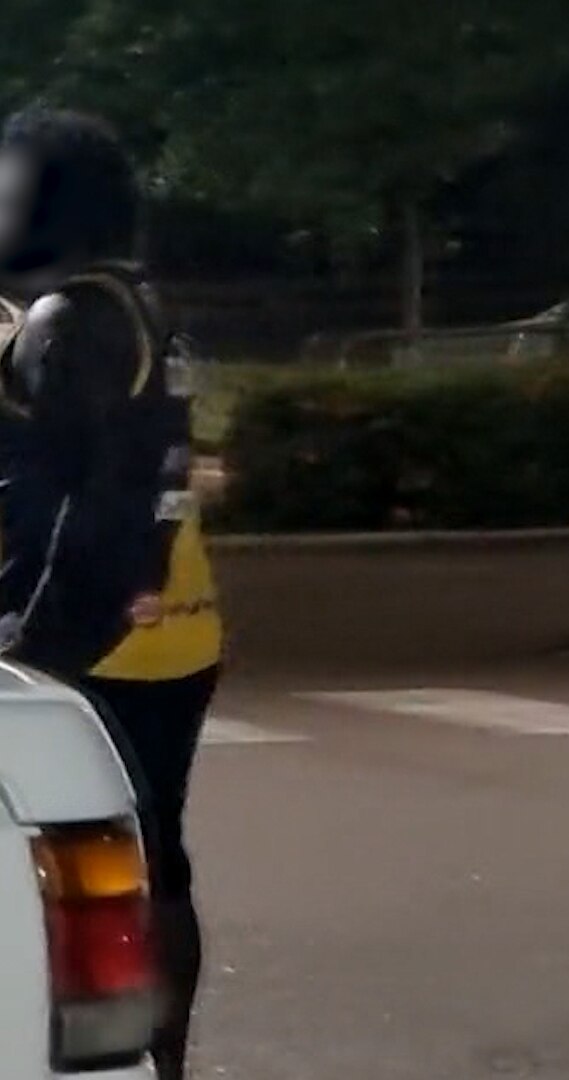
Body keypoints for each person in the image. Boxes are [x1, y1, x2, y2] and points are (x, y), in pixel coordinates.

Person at [0, 107, 223, 1080]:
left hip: (90, 635)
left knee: (69, 866)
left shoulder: (70, 321)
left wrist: (29, 649)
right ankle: (158, 1061)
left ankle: (95, 1050)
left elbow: (79, 510)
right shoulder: (140, 304)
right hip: (174, 626)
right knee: (154, 860)